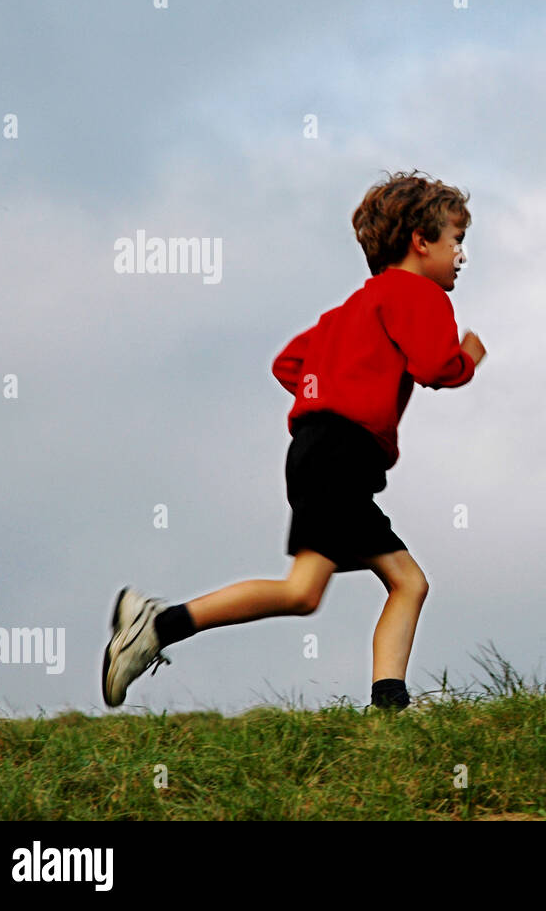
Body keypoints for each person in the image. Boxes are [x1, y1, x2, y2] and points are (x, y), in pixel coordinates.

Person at [101, 169, 486, 713]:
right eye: (456, 241)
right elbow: (435, 367)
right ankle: (157, 625)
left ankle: (388, 710)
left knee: (384, 584)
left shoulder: (348, 310)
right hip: (342, 454)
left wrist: (330, 387)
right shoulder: (418, 295)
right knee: (334, 589)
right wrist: (467, 356)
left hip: (315, 451)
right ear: (421, 244)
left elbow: (289, 362)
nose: (461, 256)